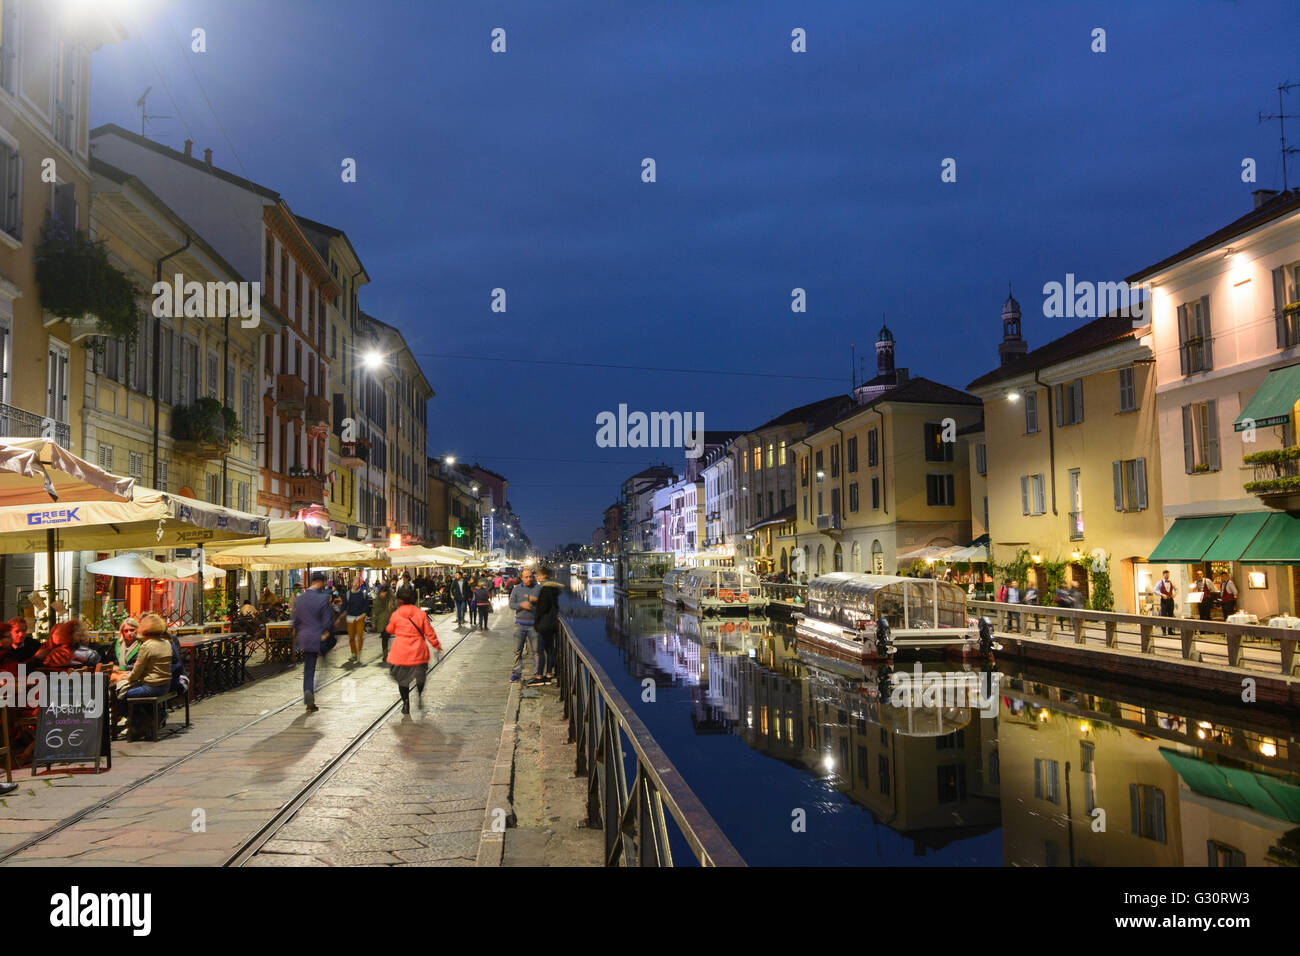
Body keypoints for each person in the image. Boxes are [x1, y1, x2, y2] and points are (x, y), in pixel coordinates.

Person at [384, 585, 441, 714]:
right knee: (421, 677)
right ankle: (419, 694)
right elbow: (429, 632)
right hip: (418, 652)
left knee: (403, 680)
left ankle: (406, 702)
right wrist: (436, 645)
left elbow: (390, 630)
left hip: (401, 652)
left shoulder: (396, 614)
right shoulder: (420, 614)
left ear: (400, 600)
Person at [293, 571, 337, 712]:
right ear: (320, 582)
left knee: (309, 668)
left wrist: (297, 635)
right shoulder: (323, 599)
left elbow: (295, 621)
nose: (325, 585)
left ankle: (308, 691)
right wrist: (327, 633)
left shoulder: (300, 599)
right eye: (324, 582)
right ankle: (311, 691)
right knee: (322, 668)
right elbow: (327, 622)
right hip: (318, 638)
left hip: (304, 638)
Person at [528, 565, 563, 686]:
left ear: (543, 575)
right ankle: (549, 674)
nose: (537, 577)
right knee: (550, 649)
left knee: (540, 650)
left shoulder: (545, 589)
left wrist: (536, 620)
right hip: (552, 623)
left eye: (538, 575)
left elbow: (543, 607)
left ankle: (539, 676)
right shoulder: (554, 589)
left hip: (544, 623)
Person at [508, 568, 541, 682]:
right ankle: (516, 673)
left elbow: (543, 604)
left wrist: (536, 602)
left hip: (534, 624)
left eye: (530, 576)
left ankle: (537, 673)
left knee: (536, 651)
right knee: (517, 651)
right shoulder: (516, 589)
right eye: (526, 577)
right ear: (521, 578)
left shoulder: (537, 588)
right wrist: (521, 605)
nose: (528, 579)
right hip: (520, 624)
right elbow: (511, 604)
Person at [344, 579, 369, 664]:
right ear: (351, 583)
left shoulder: (363, 594)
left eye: (357, 583)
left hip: (360, 618)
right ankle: (353, 653)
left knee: (360, 636)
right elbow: (344, 606)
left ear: (359, 584)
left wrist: (364, 613)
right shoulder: (347, 594)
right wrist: (342, 615)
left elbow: (366, 605)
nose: (355, 584)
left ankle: (358, 653)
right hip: (350, 618)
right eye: (354, 582)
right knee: (351, 638)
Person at [372, 584, 396, 662]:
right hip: (381, 622)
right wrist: (373, 622)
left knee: (386, 637)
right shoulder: (377, 600)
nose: (382, 594)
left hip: (389, 621)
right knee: (384, 638)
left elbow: (395, 609)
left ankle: (387, 654)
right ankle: (385, 655)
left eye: (384, 592)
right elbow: (374, 611)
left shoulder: (391, 599)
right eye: (382, 592)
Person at [1155, 569, 1177, 635]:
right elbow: (1155, 590)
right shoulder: (1159, 582)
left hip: (1170, 600)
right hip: (1164, 600)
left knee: (1171, 615)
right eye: (1166, 574)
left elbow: (1177, 589)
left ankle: (1170, 631)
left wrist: (1175, 594)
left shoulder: (1171, 582)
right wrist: (1162, 594)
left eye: (1168, 574)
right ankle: (1164, 631)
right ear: (1163, 575)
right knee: (1163, 615)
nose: (1167, 575)